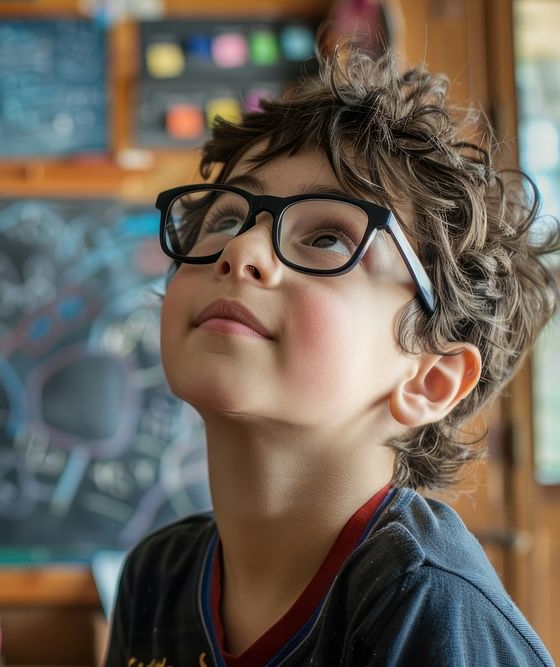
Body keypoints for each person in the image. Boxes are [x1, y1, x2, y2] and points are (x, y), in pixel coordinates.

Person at [105, 48, 558, 666]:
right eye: (226, 217)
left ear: (428, 380)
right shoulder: (157, 577)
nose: (241, 252)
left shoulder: (426, 605)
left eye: (325, 238)